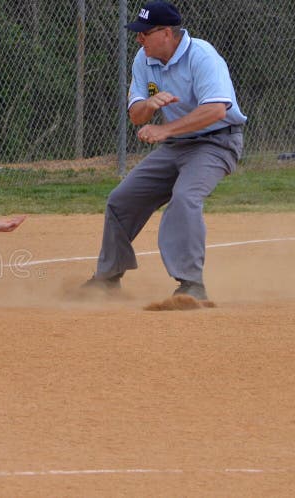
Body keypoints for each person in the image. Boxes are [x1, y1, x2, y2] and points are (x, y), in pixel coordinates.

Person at [83, 1, 246, 300]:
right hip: (177, 146)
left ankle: (191, 285)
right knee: (120, 201)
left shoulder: (202, 56)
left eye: (145, 33)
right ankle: (107, 280)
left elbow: (217, 110)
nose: (139, 39)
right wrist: (148, 105)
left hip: (217, 142)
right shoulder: (144, 60)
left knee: (185, 197)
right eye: (138, 33)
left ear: (167, 33)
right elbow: (136, 114)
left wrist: (165, 129)